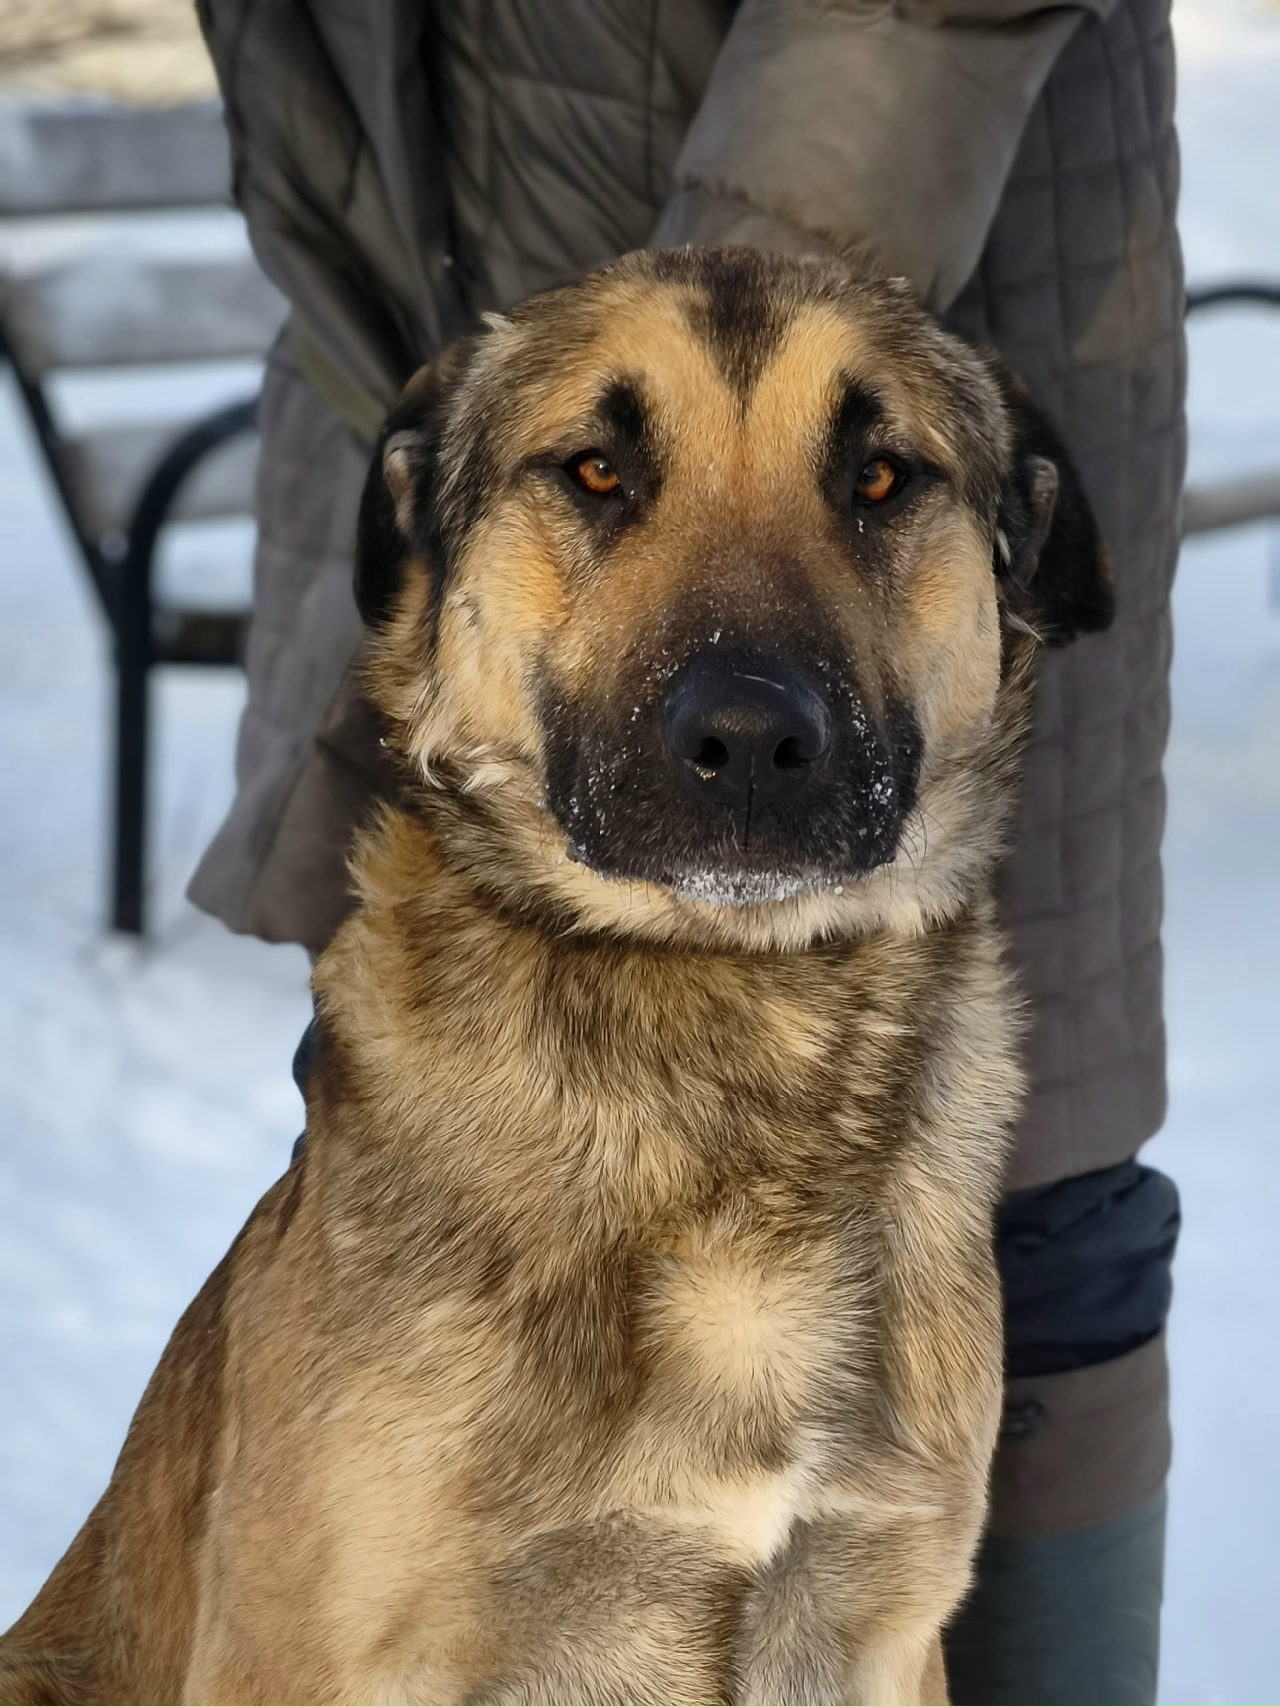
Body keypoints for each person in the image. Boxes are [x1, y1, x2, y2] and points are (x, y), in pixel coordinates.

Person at [191, 3, 1184, 1700]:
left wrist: (716, 308)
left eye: (875, 487)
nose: (740, 709)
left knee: (1050, 1227)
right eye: (606, 478)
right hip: (444, 365)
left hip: (913, 231)